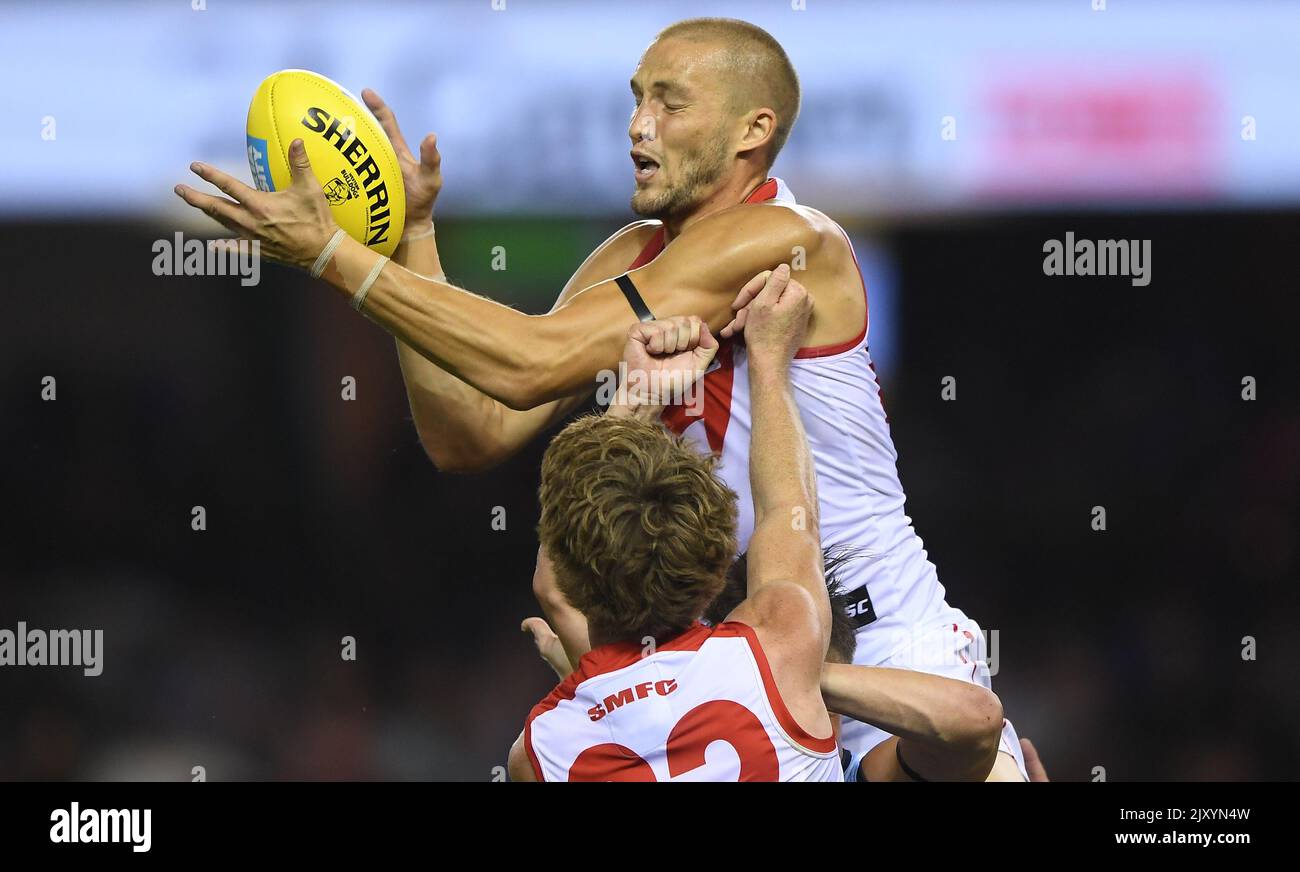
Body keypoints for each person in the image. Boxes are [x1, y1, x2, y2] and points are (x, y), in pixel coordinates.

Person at [175, 17, 1025, 778]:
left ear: (752, 131)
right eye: (635, 100)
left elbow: (529, 362)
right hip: (737, 657)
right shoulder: (634, 255)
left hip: (882, 636)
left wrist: (334, 258)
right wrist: (410, 242)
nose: (637, 125)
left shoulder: (788, 240)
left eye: (670, 103)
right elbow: (471, 430)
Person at [511, 268, 840, 781]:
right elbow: (787, 512)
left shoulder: (545, 750)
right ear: (714, 561)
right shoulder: (781, 643)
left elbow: (552, 587)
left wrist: (636, 397)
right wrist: (770, 361)